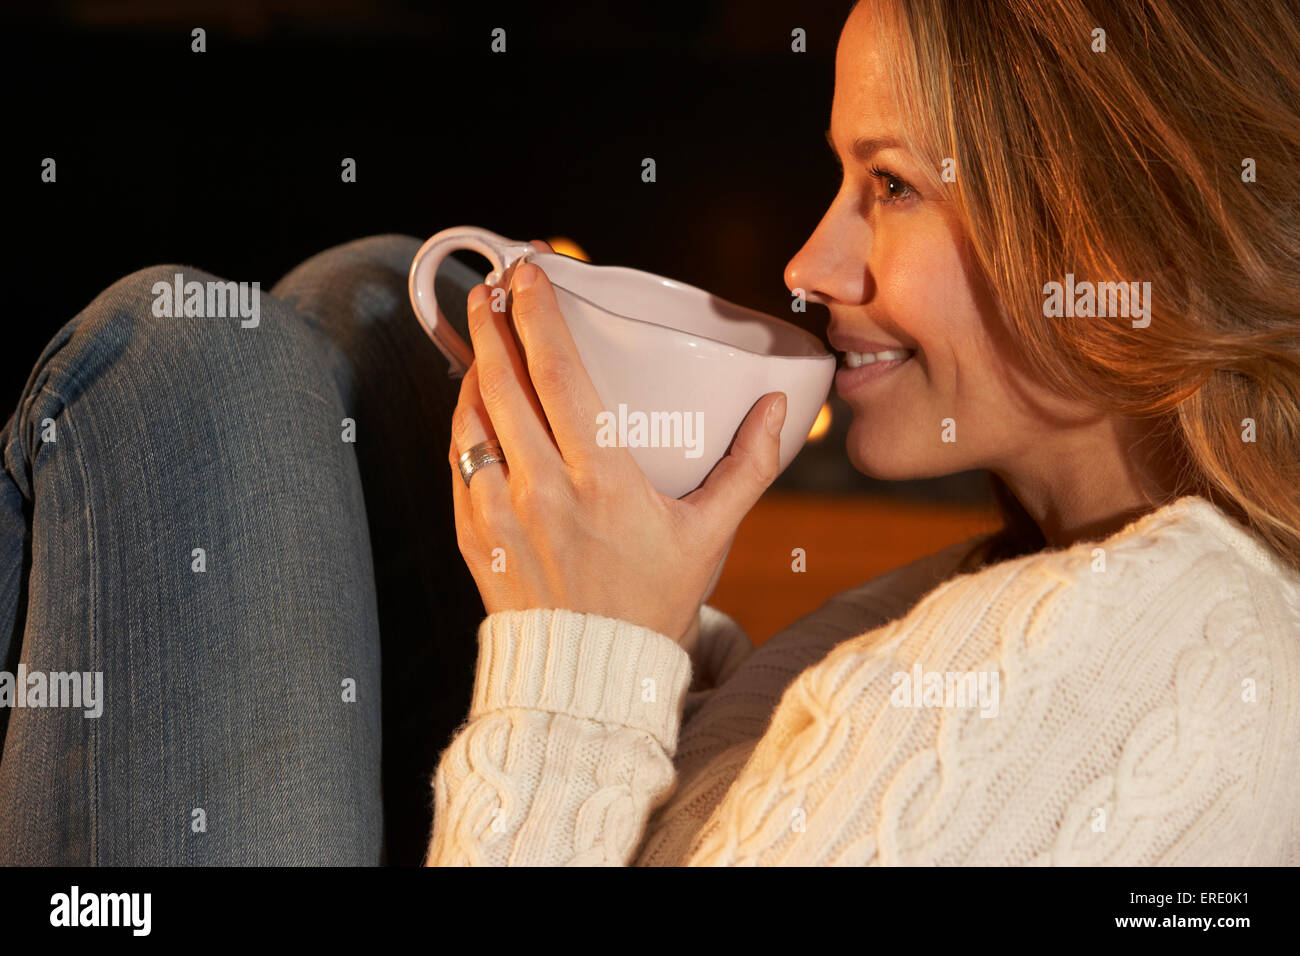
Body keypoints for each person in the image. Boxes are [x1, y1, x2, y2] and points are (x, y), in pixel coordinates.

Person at [4, 0, 1299, 866]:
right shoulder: (999, 584)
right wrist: (646, 616)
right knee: (381, 303)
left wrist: (582, 651)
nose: (812, 260)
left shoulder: (1178, 630)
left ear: (1126, 227)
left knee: (182, 364)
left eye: (891, 186)